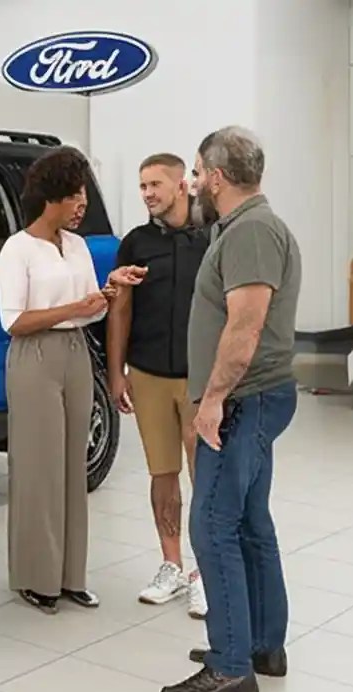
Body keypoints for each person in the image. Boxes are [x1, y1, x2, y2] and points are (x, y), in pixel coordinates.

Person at [161, 126, 302, 692]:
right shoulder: (249, 228)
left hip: (244, 399)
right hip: (256, 396)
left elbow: (245, 326)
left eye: (196, 172)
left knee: (212, 525)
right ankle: (262, 645)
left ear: (217, 177)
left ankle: (230, 664)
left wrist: (213, 399)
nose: (191, 182)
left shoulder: (250, 232)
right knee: (248, 522)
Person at [0, 147, 144, 614]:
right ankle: (35, 576)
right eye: (76, 196)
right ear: (53, 196)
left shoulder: (77, 245)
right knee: (39, 467)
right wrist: (73, 310)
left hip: (77, 354)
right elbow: (14, 320)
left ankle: (70, 575)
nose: (83, 205)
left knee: (73, 467)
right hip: (34, 356)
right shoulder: (17, 249)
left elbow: (91, 303)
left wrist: (110, 288)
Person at [107, 153, 211, 617]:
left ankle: (205, 572)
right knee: (162, 474)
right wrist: (115, 371)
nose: (147, 193)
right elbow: (121, 309)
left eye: (155, 184)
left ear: (183, 185)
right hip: (147, 373)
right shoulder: (136, 243)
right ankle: (171, 565)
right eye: (142, 185)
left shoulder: (212, 238)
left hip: (198, 378)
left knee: (203, 476)